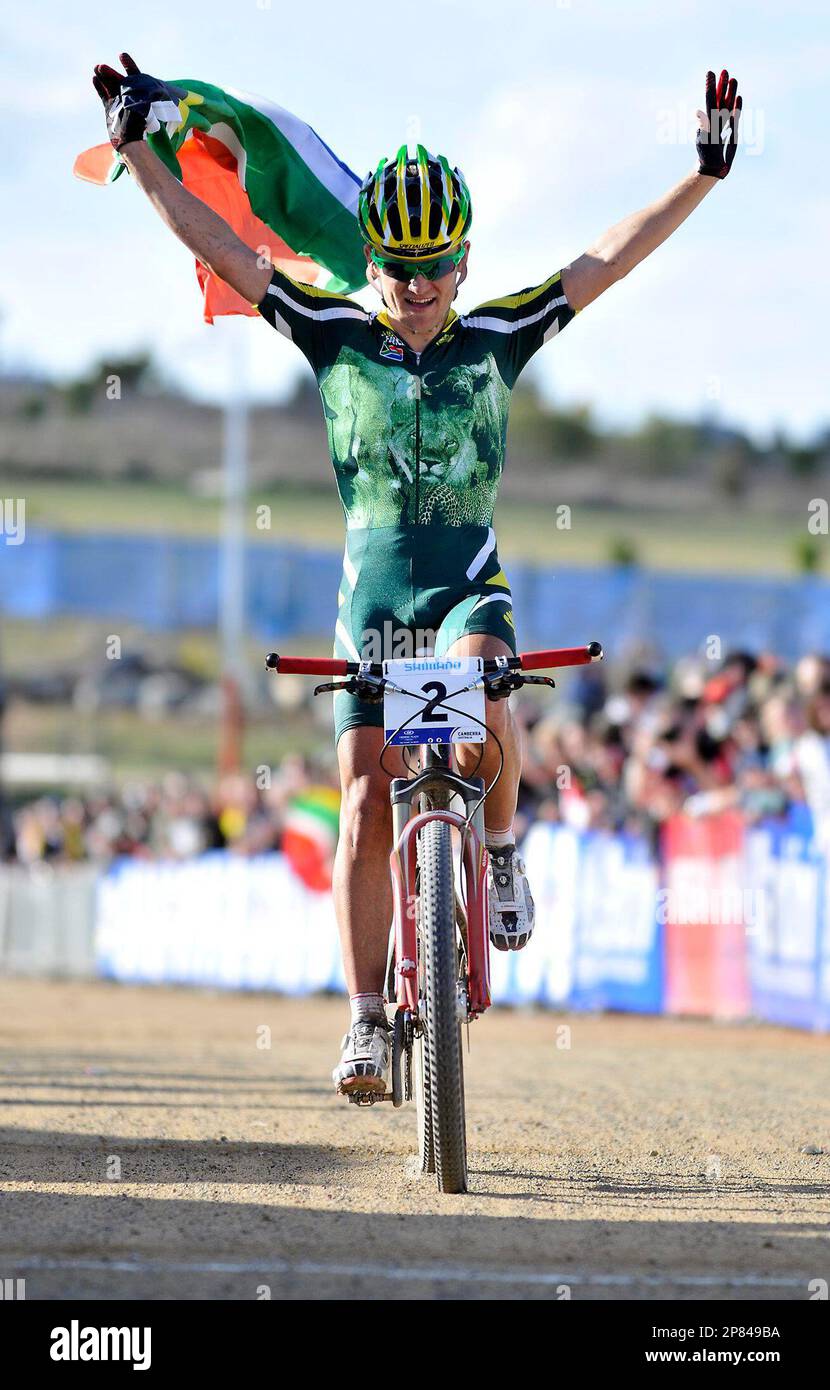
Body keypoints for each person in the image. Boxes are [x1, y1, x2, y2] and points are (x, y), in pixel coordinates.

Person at [92, 55, 741, 1097]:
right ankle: (360, 1022)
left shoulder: (498, 337)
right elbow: (218, 240)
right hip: (371, 605)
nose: (418, 285)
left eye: (436, 265)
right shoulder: (332, 330)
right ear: (375, 258)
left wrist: (701, 175)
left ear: (463, 258)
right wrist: (136, 150)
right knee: (360, 800)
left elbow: (602, 262)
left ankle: (500, 844)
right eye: (398, 266)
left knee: (487, 672)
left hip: (461, 590)